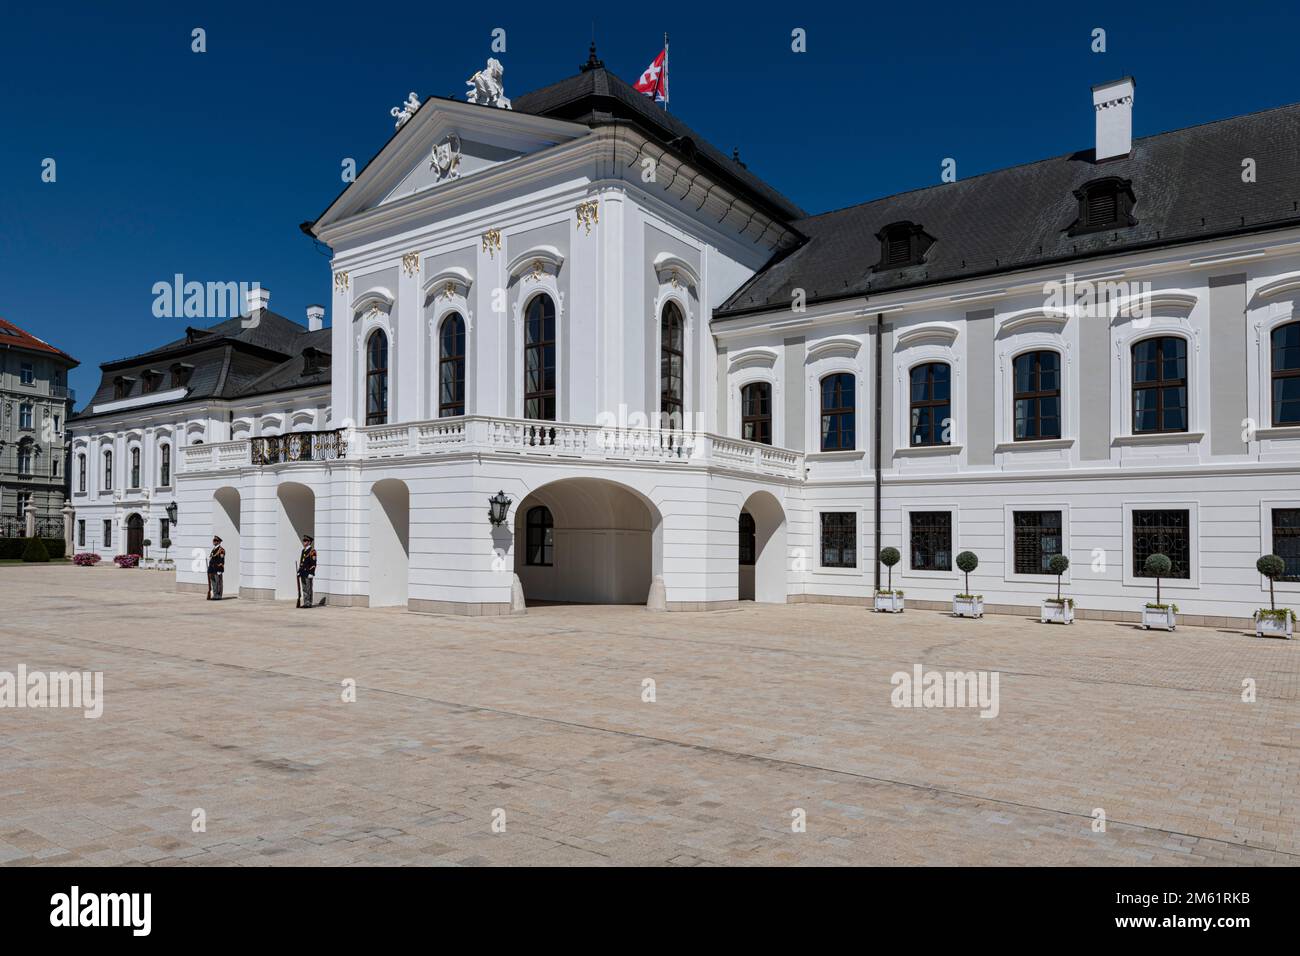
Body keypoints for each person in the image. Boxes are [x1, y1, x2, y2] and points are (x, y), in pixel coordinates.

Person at [297, 534, 317, 609]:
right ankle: (305, 602)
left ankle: (309, 603)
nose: (304, 542)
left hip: (308, 573)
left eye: (305, 541)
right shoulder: (303, 550)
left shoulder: (312, 551)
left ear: (309, 542)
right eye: (304, 541)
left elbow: (314, 563)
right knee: (304, 588)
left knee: (308, 588)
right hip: (303, 572)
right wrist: (299, 571)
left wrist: (311, 573)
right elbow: (302, 562)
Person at [207, 536, 226, 600]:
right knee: (213, 582)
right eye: (214, 540)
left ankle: (219, 595)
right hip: (212, 568)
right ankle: (215, 595)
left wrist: (220, 569)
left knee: (218, 582)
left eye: (215, 541)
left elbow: (221, 559)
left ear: (219, 542)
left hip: (217, 568)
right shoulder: (214, 549)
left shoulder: (221, 550)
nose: (214, 542)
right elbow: (212, 558)